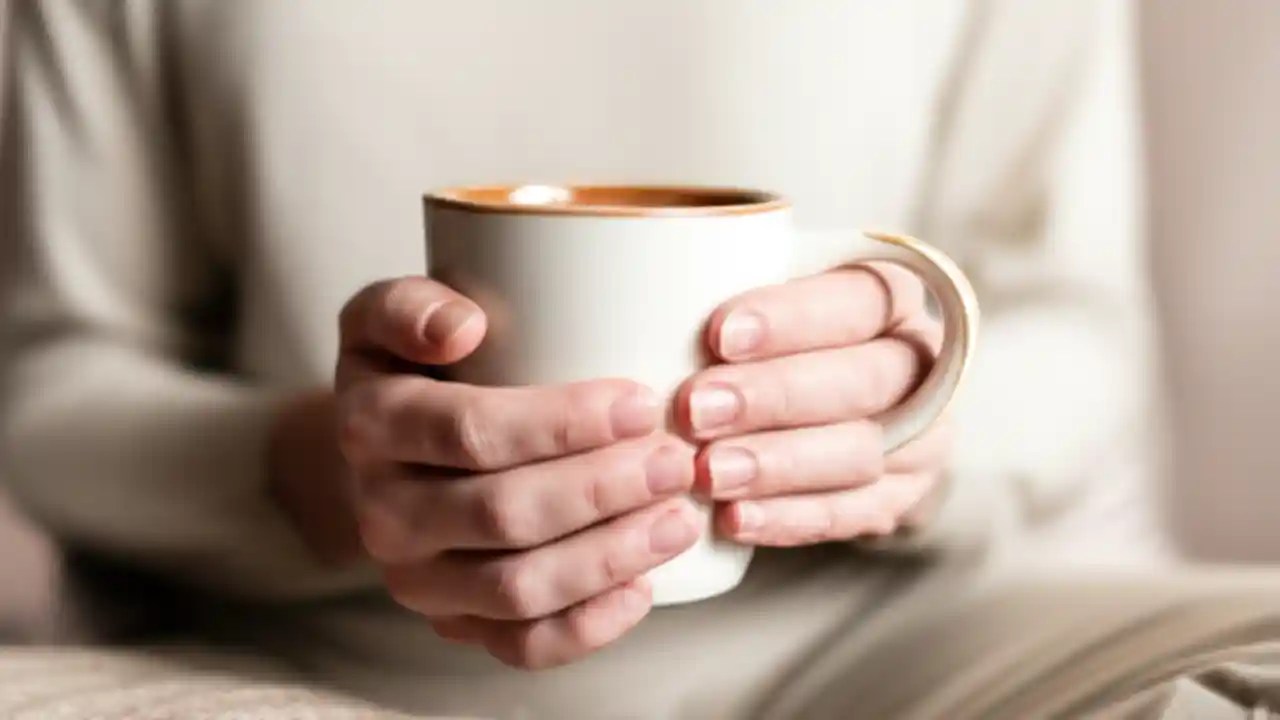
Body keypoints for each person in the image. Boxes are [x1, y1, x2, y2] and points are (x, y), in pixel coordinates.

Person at [5, 1, 1276, 719]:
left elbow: (1081, 332)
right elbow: (49, 379)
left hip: (903, 650)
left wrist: (914, 428)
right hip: (316, 669)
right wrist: (327, 480)